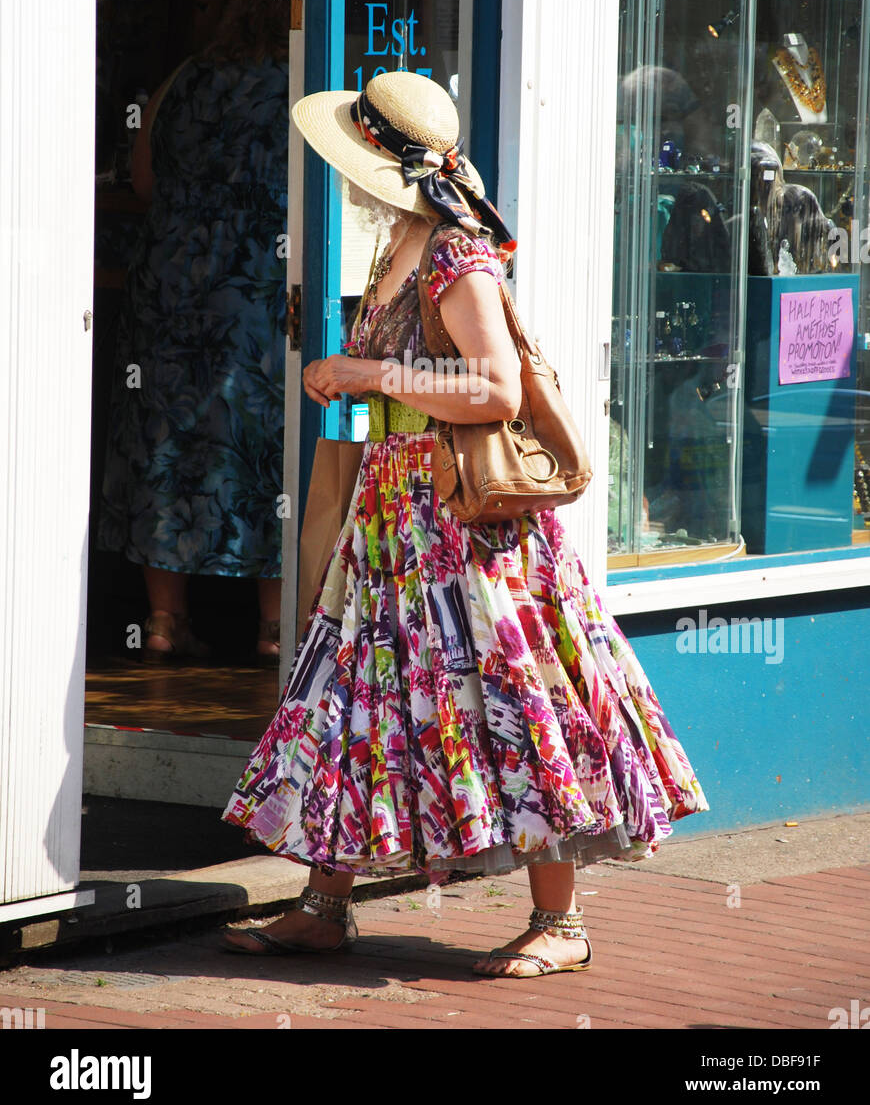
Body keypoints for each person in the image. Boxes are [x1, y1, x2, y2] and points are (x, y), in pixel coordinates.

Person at [221, 71, 708, 977]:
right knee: (362, 696)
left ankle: (560, 924)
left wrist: (368, 377)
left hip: (460, 528)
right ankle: (325, 904)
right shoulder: (405, 241)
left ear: (376, 156)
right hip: (395, 524)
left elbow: (496, 390)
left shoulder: (454, 253)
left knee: (512, 702)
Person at [96, 0, 290, 663]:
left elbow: (144, 180)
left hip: (172, 285)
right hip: (257, 287)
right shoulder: (302, 86)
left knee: (165, 446)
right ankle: (273, 629)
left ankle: (161, 622)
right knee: (265, 447)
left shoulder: (182, 77)